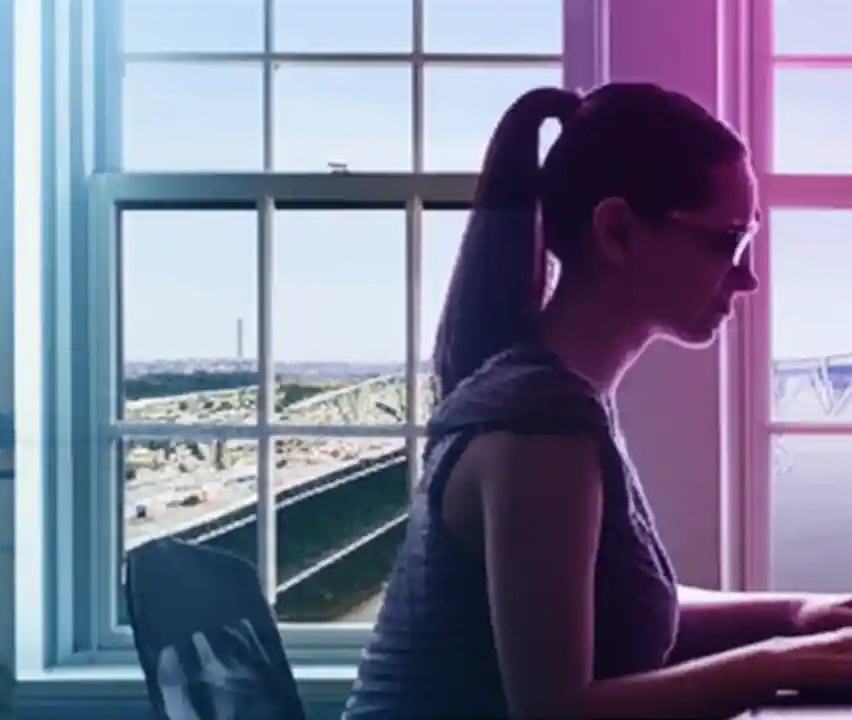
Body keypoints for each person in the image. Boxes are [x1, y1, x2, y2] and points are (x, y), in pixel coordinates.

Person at [341, 81, 852, 719]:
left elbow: (613, 607)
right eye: (727, 241)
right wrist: (782, 661)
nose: (747, 277)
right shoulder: (539, 428)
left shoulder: (556, 400)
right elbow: (557, 711)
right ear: (616, 232)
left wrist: (797, 615)